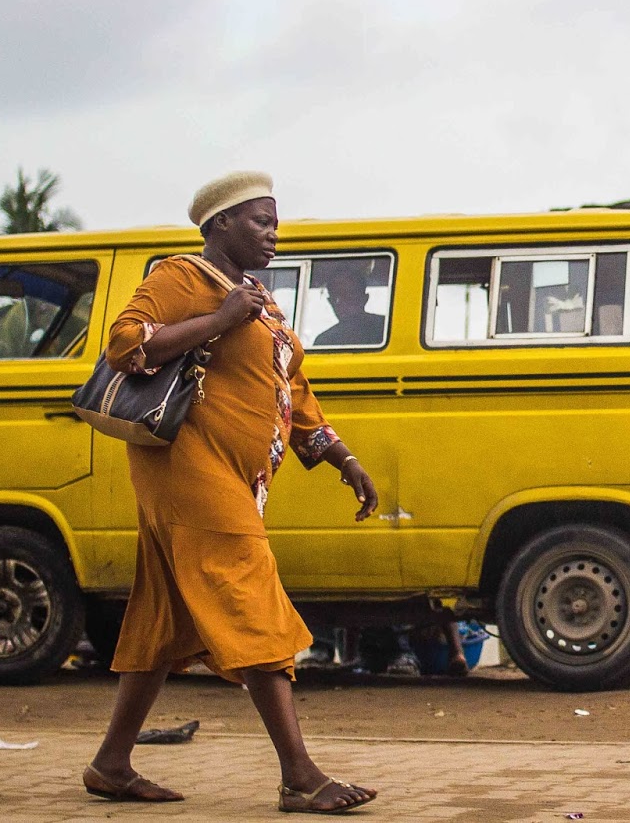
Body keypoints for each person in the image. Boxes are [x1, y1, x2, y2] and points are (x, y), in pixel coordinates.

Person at [83, 171, 382, 813]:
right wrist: (218, 320)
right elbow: (125, 344)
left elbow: (291, 389)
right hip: (186, 467)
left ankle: (111, 763)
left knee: (165, 617)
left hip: (232, 475)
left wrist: (340, 456)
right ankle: (300, 775)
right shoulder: (180, 277)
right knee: (251, 594)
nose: (274, 234)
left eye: (276, 222)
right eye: (260, 222)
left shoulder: (258, 299)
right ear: (220, 224)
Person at [312, 264, 387, 348]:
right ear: (331, 302)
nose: (343, 304)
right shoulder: (325, 341)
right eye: (336, 298)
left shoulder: (386, 329)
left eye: (350, 296)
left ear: (364, 299)